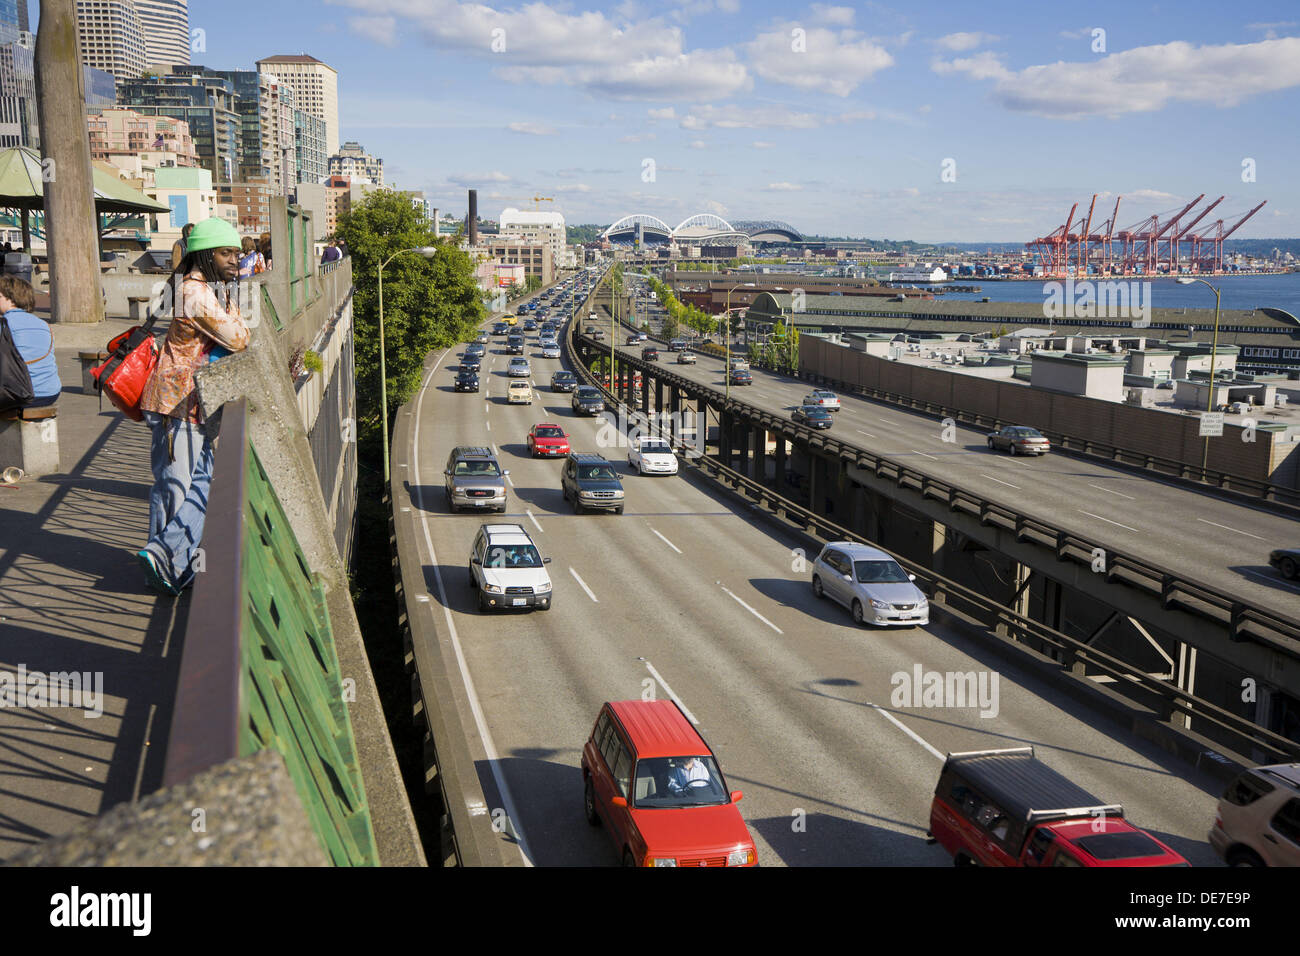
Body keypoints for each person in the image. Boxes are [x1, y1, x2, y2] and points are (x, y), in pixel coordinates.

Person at [138, 218, 249, 595]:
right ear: (205, 255)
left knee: (205, 484)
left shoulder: (211, 290)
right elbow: (238, 336)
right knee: (175, 487)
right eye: (225, 252)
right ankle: (164, 563)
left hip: (194, 404)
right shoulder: (194, 293)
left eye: (236, 252)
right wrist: (237, 318)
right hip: (175, 404)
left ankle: (171, 559)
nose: (235, 259)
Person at [0, 275, 59, 407]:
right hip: (50, 392)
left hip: (17, 394)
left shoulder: (4, 324)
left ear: (12, 299)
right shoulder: (43, 324)